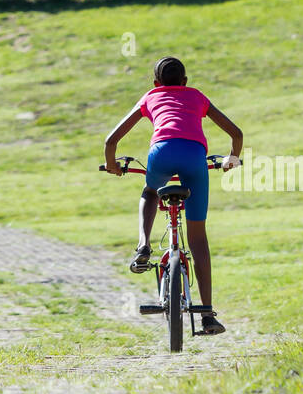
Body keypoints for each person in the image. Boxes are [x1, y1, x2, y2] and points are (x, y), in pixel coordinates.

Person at [103, 55, 242, 336]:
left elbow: (111, 140)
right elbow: (236, 133)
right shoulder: (197, 96)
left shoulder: (150, 96)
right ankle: (208, 315)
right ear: (185, 82)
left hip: (161, 153)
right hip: (194, 157)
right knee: (198, 237)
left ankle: (143, 245)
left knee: (150, 191)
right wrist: (231, 159)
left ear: (156, 84)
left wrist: (112, 164)